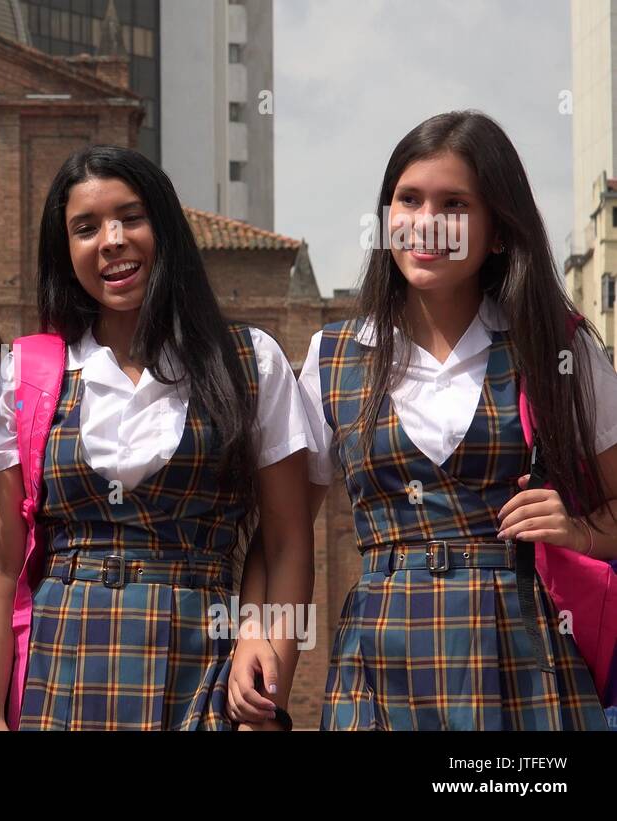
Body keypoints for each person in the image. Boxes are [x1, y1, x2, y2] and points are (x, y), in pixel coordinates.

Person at [0, 145, 315, 730]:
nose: (111, 240)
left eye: (131, 218)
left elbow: (287, 540)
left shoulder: (250, 362)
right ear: (67, 252)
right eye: (85, 228)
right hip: (62, 668)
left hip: (204, 662)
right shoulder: (28, 374)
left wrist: (269, 683)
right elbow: (0, 566)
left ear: (166, 228)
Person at [300, 110, 613, 730]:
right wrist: (264, 638)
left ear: (499, 230)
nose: (426, 223)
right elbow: (284, 531)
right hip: (379, 661)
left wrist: (579, 531)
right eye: (408, 199)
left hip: (522, 659)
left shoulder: (559, 350)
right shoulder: (332, 356)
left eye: (455, 204)